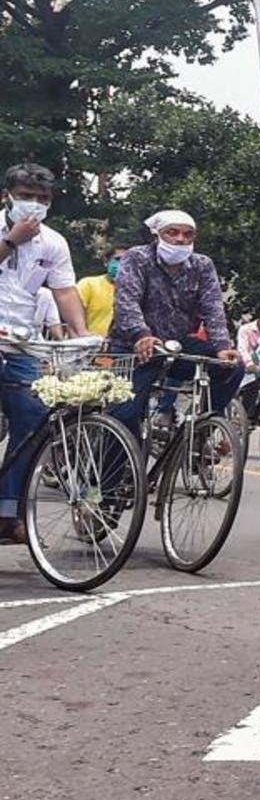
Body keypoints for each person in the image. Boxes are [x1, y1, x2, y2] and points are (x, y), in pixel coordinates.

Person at [0, 163, 92, 542]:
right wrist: (11, 241)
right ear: (7, 195)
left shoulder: (53, 242)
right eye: (26, 196)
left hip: (21, 340)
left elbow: (65, 290)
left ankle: (7, 510)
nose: (34, 205)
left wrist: (83, 334)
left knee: (35, 418)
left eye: (42, 199)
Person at [107, 209, 244, 457]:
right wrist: (141, 334)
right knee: (124, 415)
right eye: (173, 233)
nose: (181, 239)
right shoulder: (137, 258)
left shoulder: (202, 265)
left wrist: (222, 346)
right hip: (133, 348)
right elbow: (126, 302)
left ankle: (198, 430)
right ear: (157, 235)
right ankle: (111, 487)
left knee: (231, 366)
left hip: (175, 345)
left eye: (187, 234)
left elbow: (213, 307)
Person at [76, 246, 125, 337]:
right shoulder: (88, 284)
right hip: (91, 346)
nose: (122, 264)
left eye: (127, 260)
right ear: (106, 262)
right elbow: (72, 317)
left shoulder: (138, 290)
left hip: (125, 348)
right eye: (118, 259)